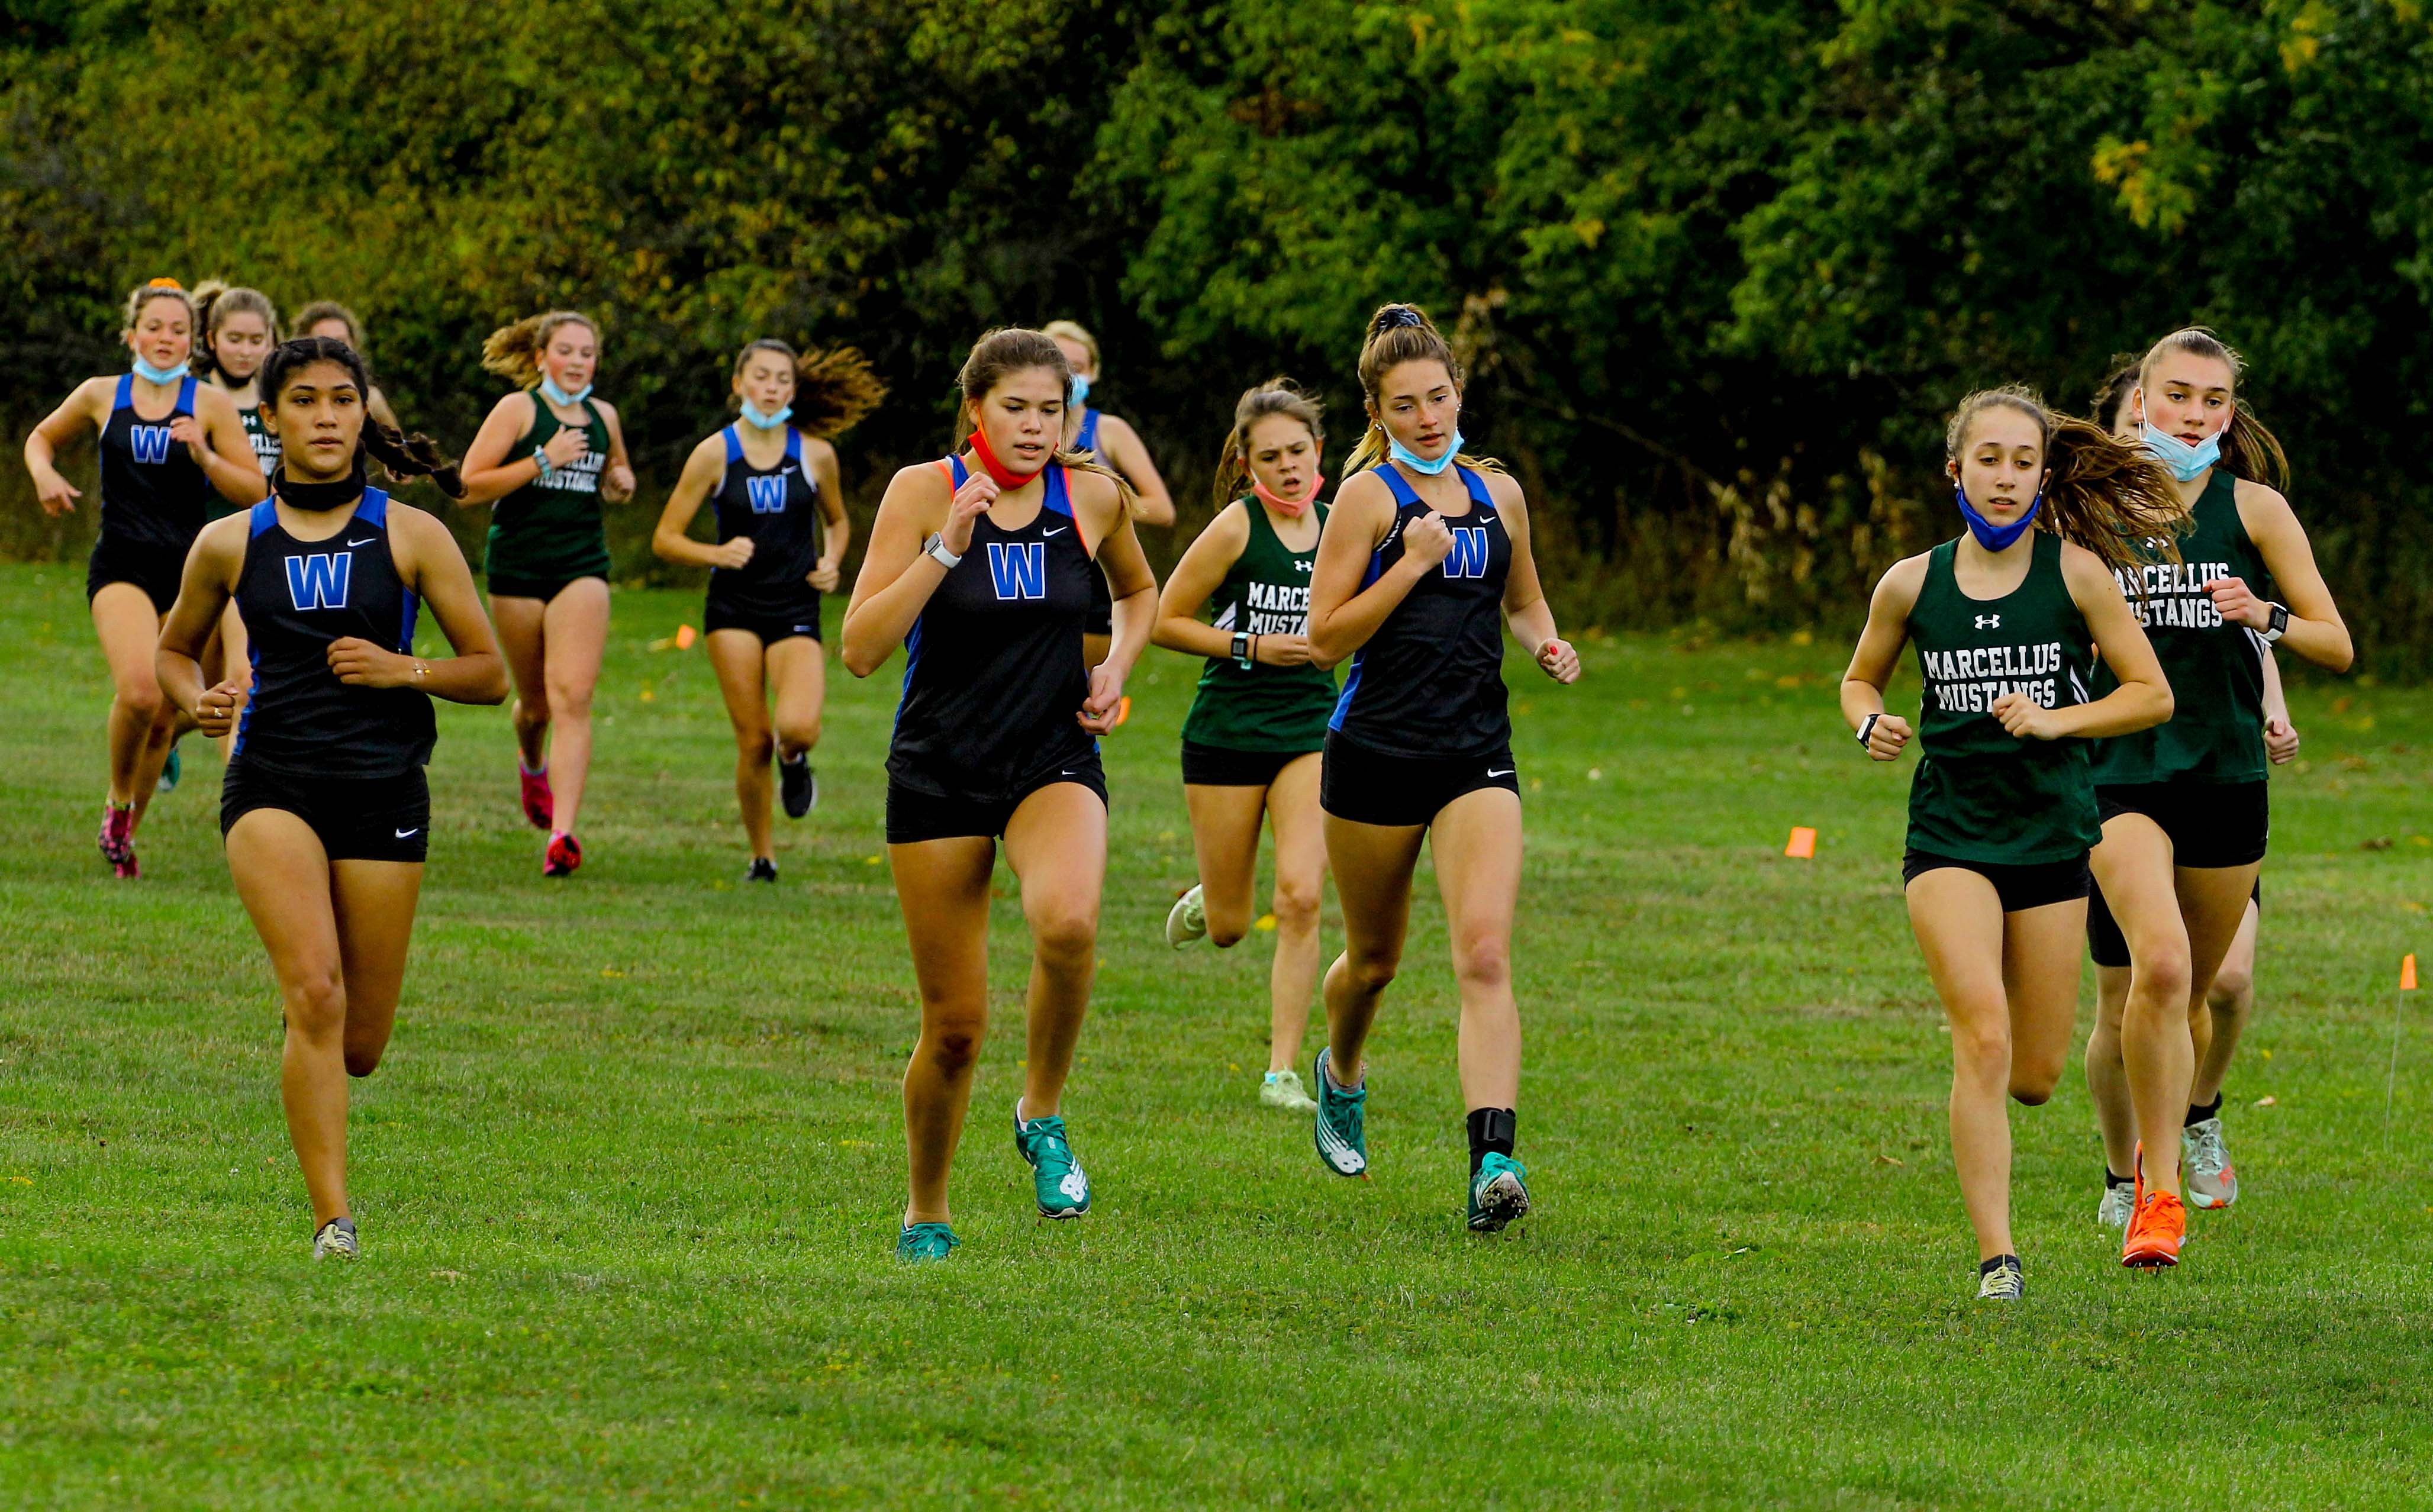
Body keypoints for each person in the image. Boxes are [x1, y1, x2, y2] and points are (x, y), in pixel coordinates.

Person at [155, 336, 506, 1260]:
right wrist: (199, 701)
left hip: (384, 791)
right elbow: (172, 650)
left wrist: (403, 668)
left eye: (341, 400)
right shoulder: (229, 540)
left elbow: (488, 673)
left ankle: (312, 1032)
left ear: (363, 414)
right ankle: (332, 1220)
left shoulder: (412, 534)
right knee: (314, 990)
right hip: (270, 781)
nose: (324, 416)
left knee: (358, 1042)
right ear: (268, 417)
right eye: (303, 400)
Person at [1840, 385, 2179, 1301]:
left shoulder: (2075, 576)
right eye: (1985, 459)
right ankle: (1997, 1257)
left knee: (2031, 1072)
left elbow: (2149, 693)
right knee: (1980, 1037)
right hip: (1946, 838)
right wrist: (1867, 721)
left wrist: (2059, 718)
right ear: (1954, 470)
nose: (2002, 477)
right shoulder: (1910, 582)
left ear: (2040, 474)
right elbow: (1858, 679)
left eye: (2020, 461)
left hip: (2048, 840)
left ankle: (2037, 1171)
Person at [840, 327, 1155, 1262]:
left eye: (1048, 410)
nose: (1031, 425)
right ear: (974, 408)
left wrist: (1116, 670)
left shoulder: (1092, 494)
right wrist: (945, 547)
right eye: (1013, 407)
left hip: (1048, 758)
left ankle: (1042, 1112)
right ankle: (925, 1209)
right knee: (954, 1029)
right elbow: (859, 649)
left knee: (1066, 922)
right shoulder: (919, 491)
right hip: (937, 769)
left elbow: (1139, 594)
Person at [1303, 304, 1580, 1234]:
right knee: (1373, 961)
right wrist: (1408, 565)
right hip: (1374, 754)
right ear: (1377, 414)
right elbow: (1322, 639)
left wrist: (1546, 643)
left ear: (1459, 391)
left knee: (1485, 952)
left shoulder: (1499, 493)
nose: (1427, 416)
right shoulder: (1369, 499)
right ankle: (1340, 1071)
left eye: (1438, 396)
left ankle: (1490, 1161)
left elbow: (1525, 598)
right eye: (1405, 405)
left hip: (1475, 756)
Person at [2078, 329, 2350, 1268]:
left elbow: (2333, 640)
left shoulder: (2256, 509)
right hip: (2115, 773)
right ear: (2139, 397)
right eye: (2175, 395)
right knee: (2150, 970)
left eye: (2211, 401)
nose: (2192, 415)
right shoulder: (2086, 508)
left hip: (2225, 777)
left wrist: (2262, 614)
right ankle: (2149, 1191)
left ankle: (2183, 1128)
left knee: (2194, 990)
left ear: (2227, 414)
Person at [21, 278, 266, 876]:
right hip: (122, 565)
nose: (165, 338)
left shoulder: (209, 403)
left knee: (164, 717)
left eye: (178, 330)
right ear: (132, 334)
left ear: (192, 342)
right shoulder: (102, 394)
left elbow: (257, 489)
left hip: (189, 573)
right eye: (154, 327)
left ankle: (125, 826)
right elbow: (40, 439)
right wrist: (44, 475)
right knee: (141, 690)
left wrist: (206, 458)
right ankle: (119, 794)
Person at [1151, 379, 1337, 1113]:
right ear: (1247, 462)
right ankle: (1213, 897)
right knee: (1231, 927)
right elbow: (1168, 619)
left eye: (1297, 450)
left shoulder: (1340, 523)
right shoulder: (1235, 526)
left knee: (1299, 896)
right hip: (1225, 732)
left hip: (1308, 731)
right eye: (1271, 456)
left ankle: (1282, 1070)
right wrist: (1250, 645)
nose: (1288, 466)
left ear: (1318, 450)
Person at [651, 342, 880, 878]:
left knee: (796, 727)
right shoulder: (713, 453)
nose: (772, 387)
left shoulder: (815, 454)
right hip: (732, 606)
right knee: (753, 739)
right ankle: (762, 856)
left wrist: (833, 560)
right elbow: (665, 537)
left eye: (783, 379)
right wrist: (715, 553)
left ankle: (794, 761)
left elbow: (839, 521)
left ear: (794, 391)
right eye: (761, 376)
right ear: (738, 384)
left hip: (795, 603)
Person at [457, 310, 637, 877]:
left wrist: (619, 482)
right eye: (567, 351)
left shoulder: (603, 415)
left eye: (588, 353)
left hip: (581, 567)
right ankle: (531, 758)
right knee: (535, 706)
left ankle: (563, 834)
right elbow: (467, 486)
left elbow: (616, 472)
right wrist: (542, 459)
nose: (579, 362)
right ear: (541, 358)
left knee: (572, 697)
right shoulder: (518, 410)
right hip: (516, 569)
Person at [1044, 320, 1174, 668]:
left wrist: (1097, 513)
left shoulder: (1109, 431)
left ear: (1095, 373)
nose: (1070, 376)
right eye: (1060, 365)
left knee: (1083, 699)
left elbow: (1161, 508)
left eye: (1079, 368)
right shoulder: (1022, 434)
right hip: (1033, 571)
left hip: (1094, 586)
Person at [194, 282, 284, 761]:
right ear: (211, 339)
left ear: (272, 341)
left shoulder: (284, 401)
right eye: (235, 339)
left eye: (256, 340)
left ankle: (242, 809)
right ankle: (158, 742)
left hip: (258, 557)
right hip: (198, 555)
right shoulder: (194, 397)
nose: (246, 351)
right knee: (199, 698)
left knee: (243, 682)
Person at [289, 301, 401, 431]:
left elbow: (398, 447)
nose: (334, 350)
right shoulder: (292, 399)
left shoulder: (372, 401)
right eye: (325, 343)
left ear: (353, 345)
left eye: (341, 342)